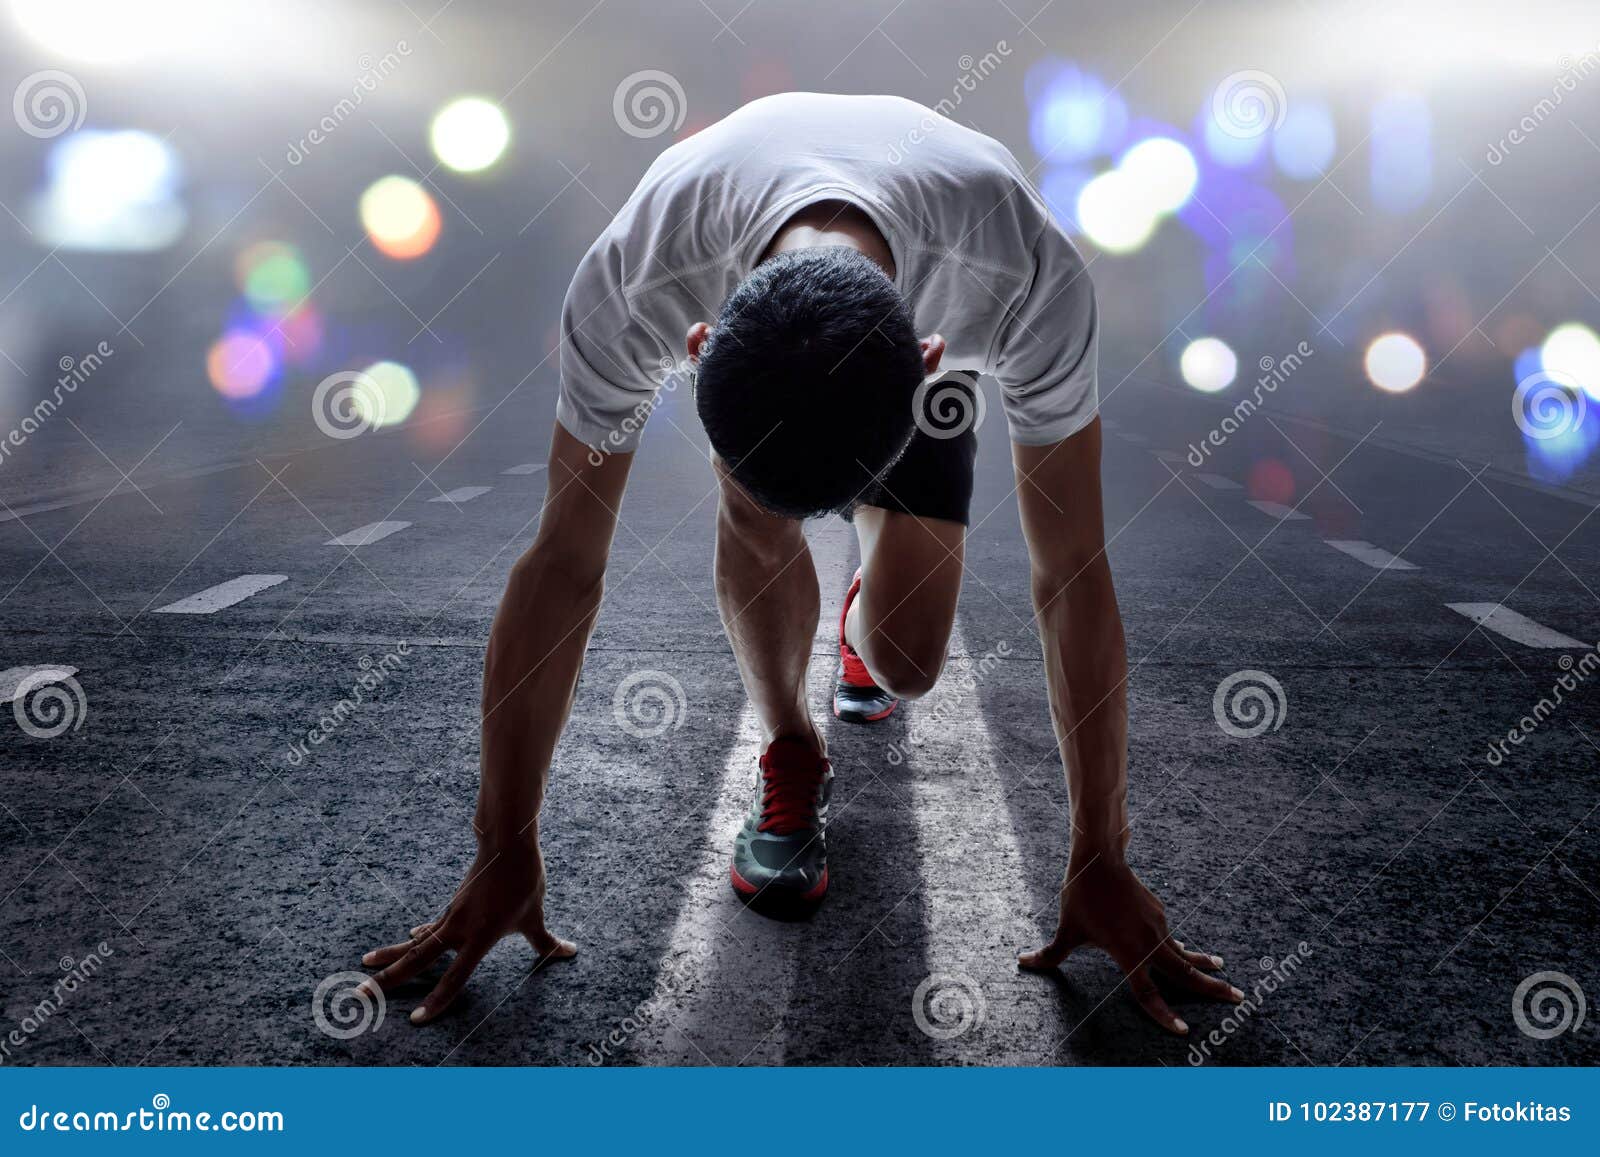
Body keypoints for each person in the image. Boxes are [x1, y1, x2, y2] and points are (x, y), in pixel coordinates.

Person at [361, 92, 1243, 1035]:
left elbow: (1072, 569)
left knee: (909, 663)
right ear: (696, 350)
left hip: (911, 325)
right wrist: (502, 845)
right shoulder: (636, 281)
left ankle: (867, 620)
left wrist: (1102, 853)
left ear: (932, 361)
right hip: (794, 326)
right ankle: (791, 740)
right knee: (754, 514)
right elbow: (561, 565)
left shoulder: (1021, 272)